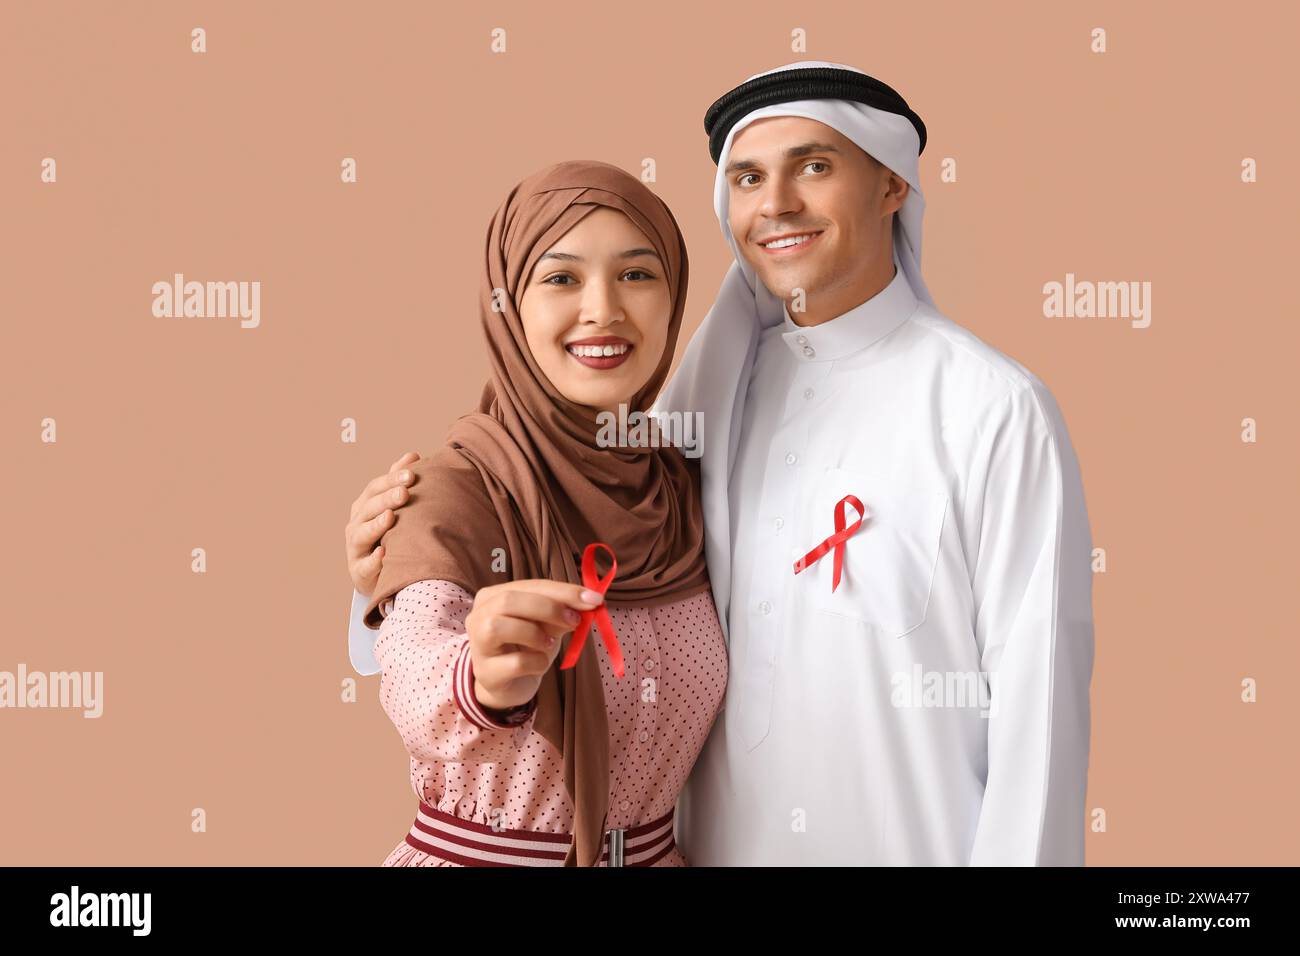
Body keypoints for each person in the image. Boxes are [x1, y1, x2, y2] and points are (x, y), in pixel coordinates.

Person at [348, 60, 1096, 867]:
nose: (775, 203)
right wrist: (389, 569)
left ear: (892, 187)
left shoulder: (992, 408)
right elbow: (549, 522)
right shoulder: (703, 400)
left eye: (814, 165)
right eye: (747, 177)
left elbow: (1040, 717)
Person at [348, 159, 725, 867]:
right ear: (507, 305)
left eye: (638, 275)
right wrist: (483, 676)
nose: (604, 309)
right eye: (560, 278)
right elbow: (410, 664)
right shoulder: (455, 488)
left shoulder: (682, 492)